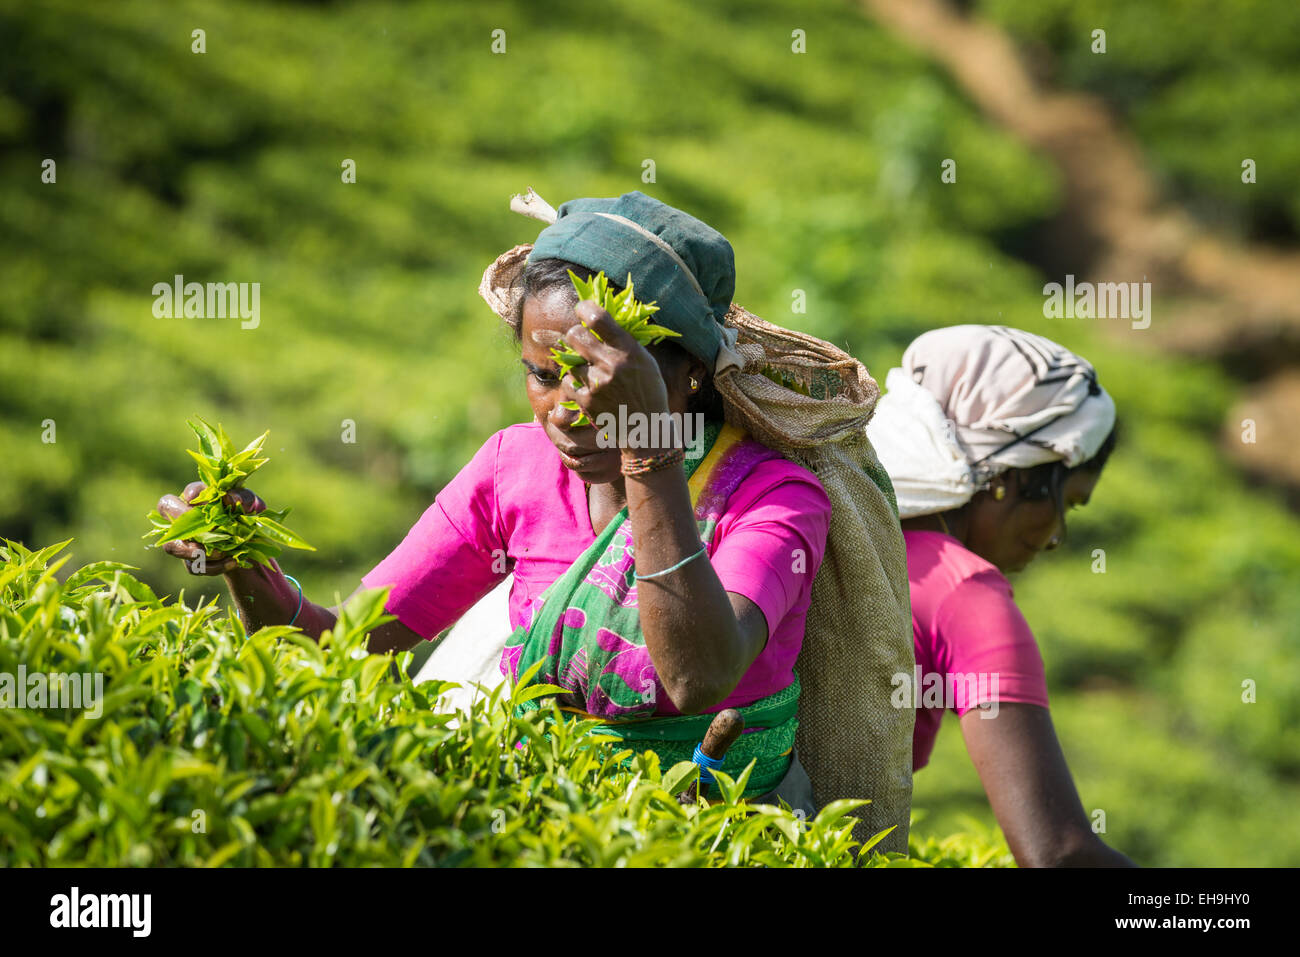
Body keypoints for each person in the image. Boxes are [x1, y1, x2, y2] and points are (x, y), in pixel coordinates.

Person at [155, 190, 832, 814]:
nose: (568, 409)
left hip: (727, 833)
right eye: (543, 376)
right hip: (553, 824)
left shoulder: (771, 496)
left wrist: (646, 451)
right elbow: (344, 650)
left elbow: (697, 676)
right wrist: (244, 560)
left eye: (597, 378)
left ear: (686, 376)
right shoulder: (516, 469)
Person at [866, 324, 1135, 867]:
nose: (1057, 535)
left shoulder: (850, 534)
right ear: (1008, 477)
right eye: (1067, 503)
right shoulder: (964, 590)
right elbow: (1057, 854)